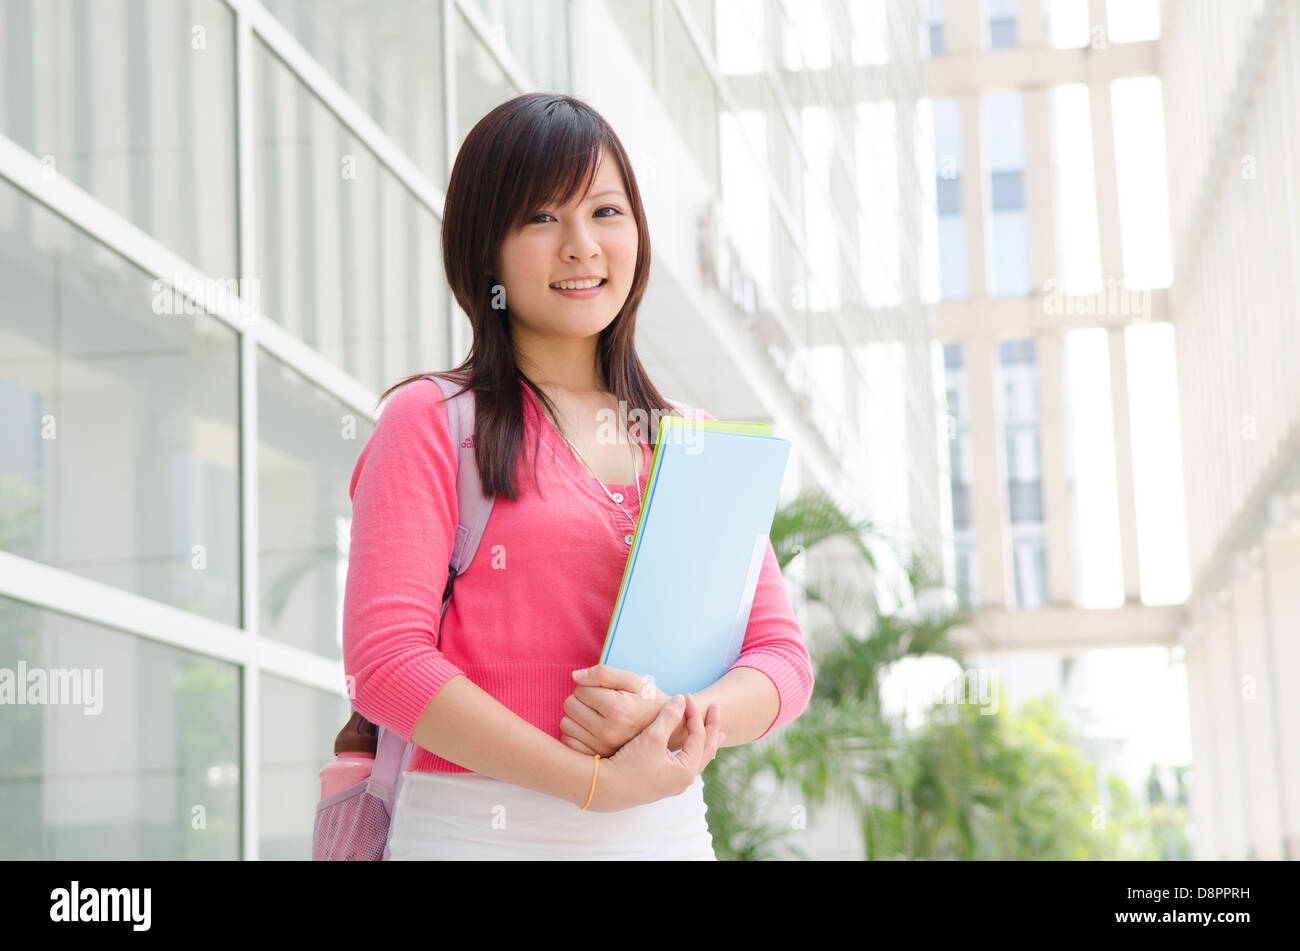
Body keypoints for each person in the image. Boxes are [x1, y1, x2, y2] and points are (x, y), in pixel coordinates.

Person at [342, 92, 815, 860]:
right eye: (539, 217)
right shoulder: (432, 421)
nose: (581, 246)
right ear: (483, 246)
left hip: (664, 833)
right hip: (475, 834)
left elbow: (782, 662)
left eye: (605, 211)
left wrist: (672, 714)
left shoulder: (687, 439)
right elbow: (387, 664)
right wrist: (589, 782)